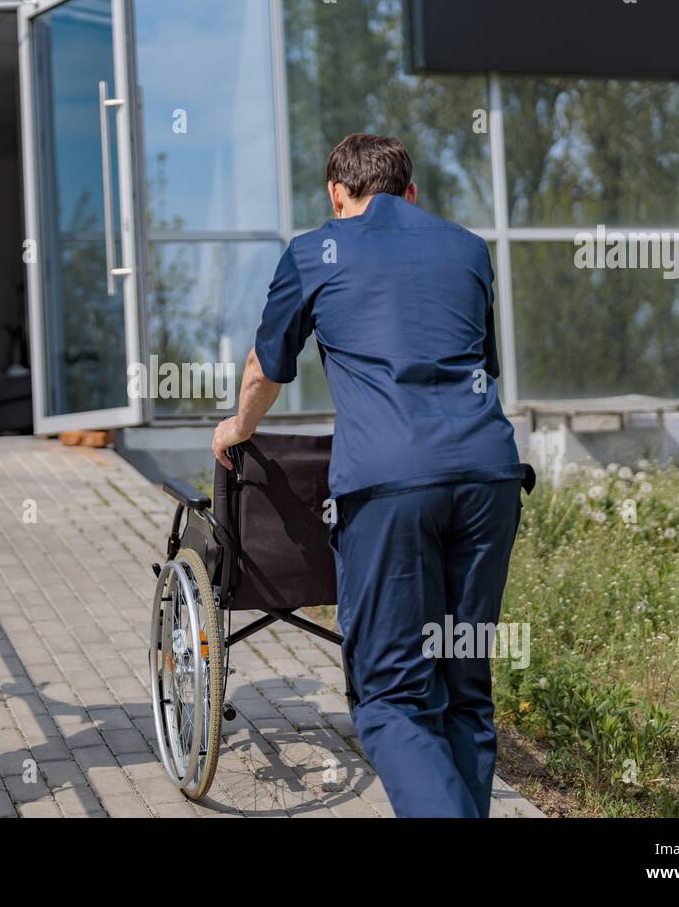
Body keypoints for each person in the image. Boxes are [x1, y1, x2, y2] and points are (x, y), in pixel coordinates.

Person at [212, 133, 531, 817]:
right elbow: (485, 369)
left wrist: (236, 430)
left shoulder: (313, 251)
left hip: (390, 488)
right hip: (489, 480)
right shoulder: (467, 249)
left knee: (392, 699)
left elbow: (266, 368)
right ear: (410, 192)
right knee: (464, 688)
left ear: (336, 193)